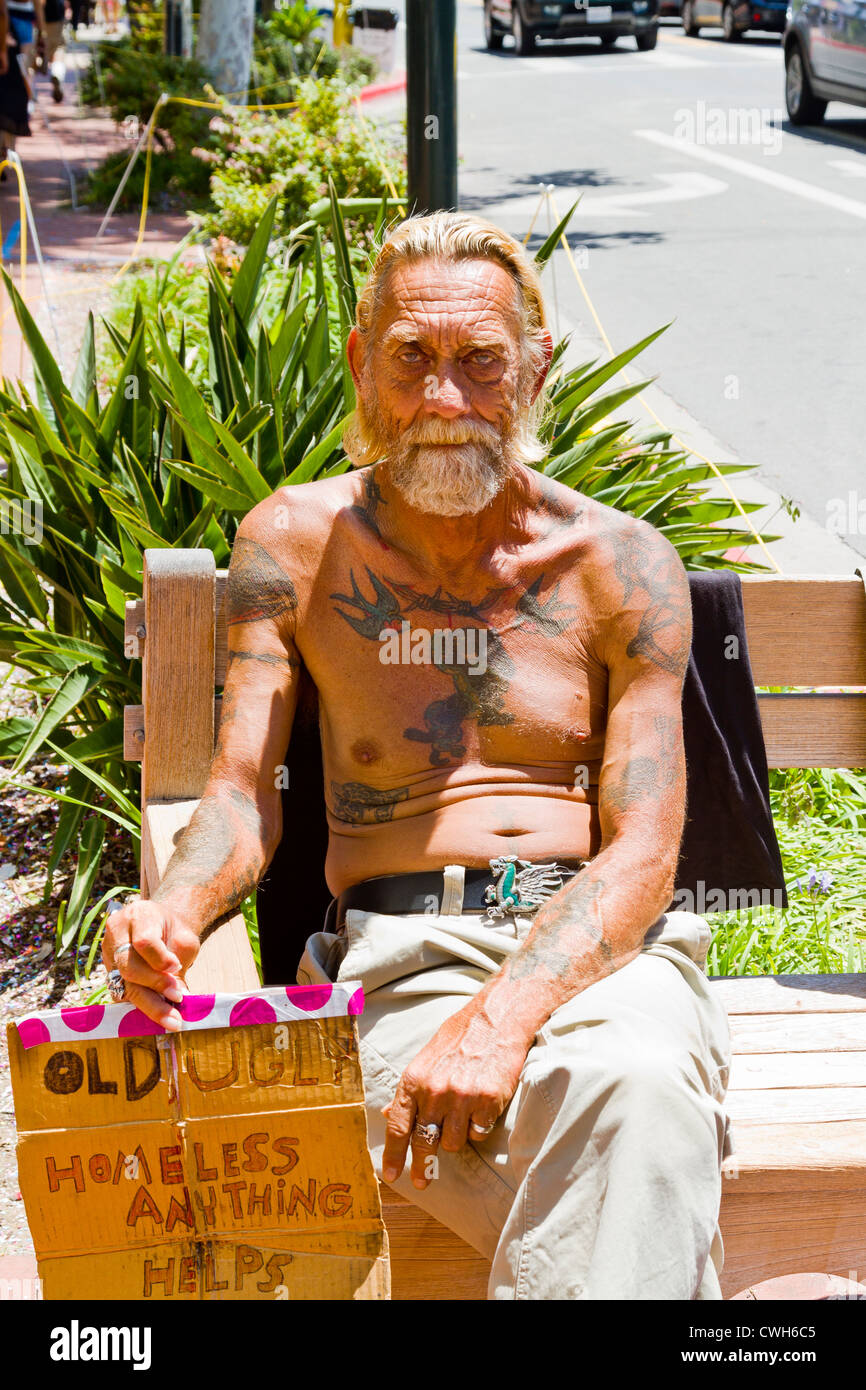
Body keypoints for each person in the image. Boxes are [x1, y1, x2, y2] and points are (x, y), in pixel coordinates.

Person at [102, 211, 733, 1301]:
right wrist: (175, 907)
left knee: (634, 1080)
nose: (443, 400)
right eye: (411, 360)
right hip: (397, 964)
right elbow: (242, 795)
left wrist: (498, 1024)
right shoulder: (294, 545)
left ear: (536, 365)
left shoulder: (618, 565)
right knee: (638, 1144)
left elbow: (642, 853)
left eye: (480, 362)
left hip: (594, 954)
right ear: (361, 363)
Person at [0, 0, 32, 177]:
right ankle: (6, 152)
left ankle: (6, 152)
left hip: (12, 33)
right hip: (13, 35)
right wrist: (3, 50)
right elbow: (3, 12)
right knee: (10, 100)